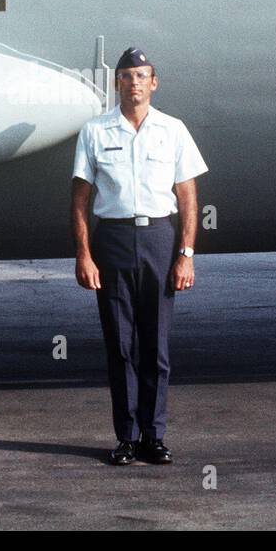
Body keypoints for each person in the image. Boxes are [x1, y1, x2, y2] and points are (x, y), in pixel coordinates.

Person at [70, 47, 208, 465]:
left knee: (156, 347)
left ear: (154, 83)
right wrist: (84, 254)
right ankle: (126, 438)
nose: (135, 83)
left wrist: (186, 254)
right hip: (111, 240)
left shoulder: (173, 130)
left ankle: (154, 436)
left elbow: (187, 198)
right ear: (117, 83)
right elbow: (80, 199)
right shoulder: (95, 131)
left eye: (142, 76)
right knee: (121, 345)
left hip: (159, 241)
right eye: (128, 76)